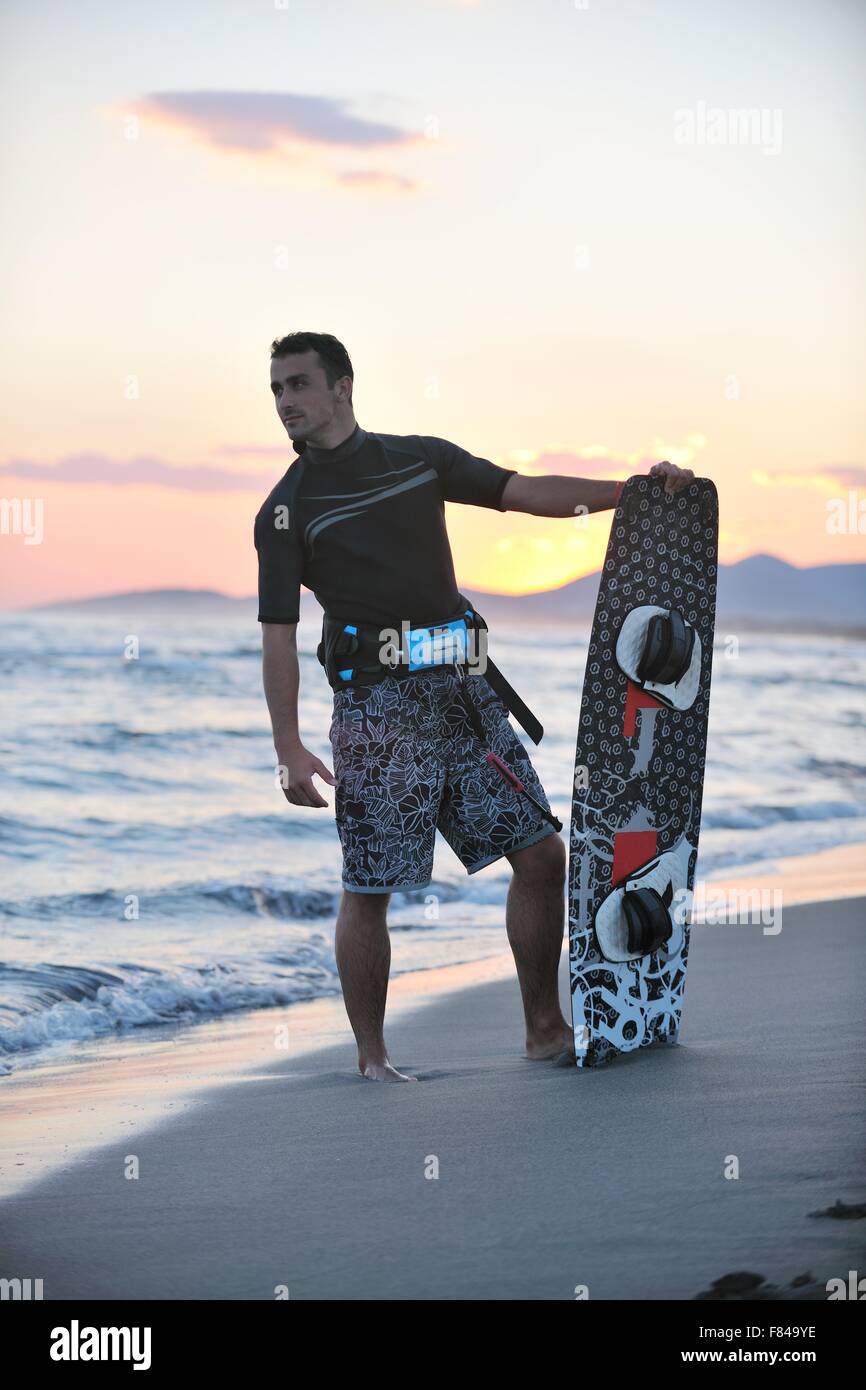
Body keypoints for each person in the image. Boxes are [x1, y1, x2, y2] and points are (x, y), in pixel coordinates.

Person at [254, 331, 695, 1082]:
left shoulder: (418, 458)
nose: (286, 402)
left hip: (464, 698)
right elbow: (279, 639)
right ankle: (372, 1056)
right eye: (276, 391)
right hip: (377, 714)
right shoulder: (285, 513)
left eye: (298, 384)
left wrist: (632, 493)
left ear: (342, 386)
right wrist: (289, 748)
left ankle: (543, 1028)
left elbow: (525, 494)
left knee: (541, 855)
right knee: (370, 886)